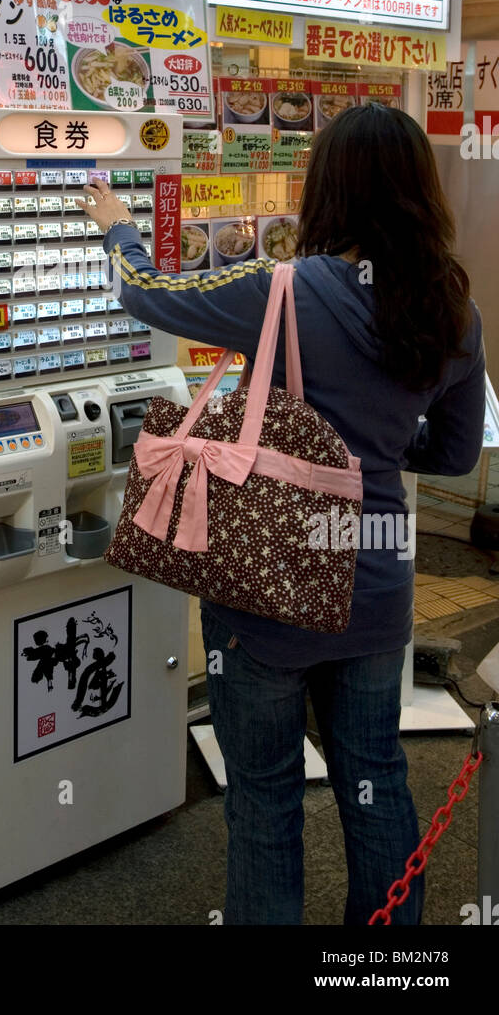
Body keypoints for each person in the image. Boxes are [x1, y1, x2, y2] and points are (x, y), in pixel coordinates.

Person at [79, 102, 485, 926]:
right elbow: (452, 455)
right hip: (375, 588)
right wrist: (369, 452)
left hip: (270, 587)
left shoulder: (283, 292)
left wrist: (119, 226)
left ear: (326, 188)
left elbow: (146, 291)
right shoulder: (454, 311)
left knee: (264, 801)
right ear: (422, 191)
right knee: (375, 778)